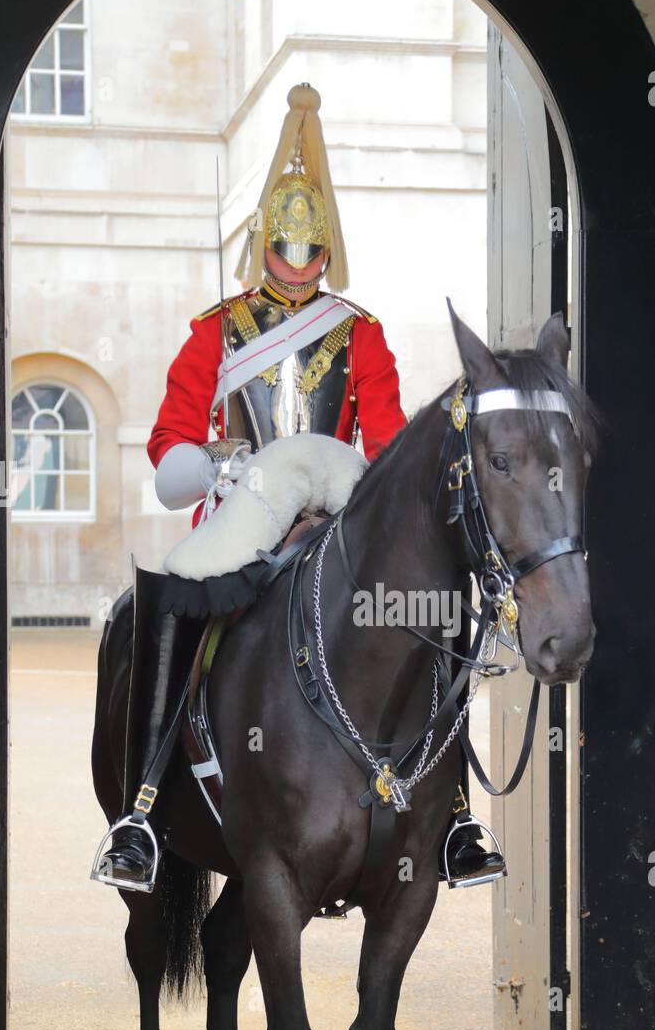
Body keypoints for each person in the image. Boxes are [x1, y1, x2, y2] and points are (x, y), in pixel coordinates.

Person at [92, 84, 504, 894]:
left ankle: (451, 814)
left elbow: (384, 440)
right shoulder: (216, 330)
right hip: (240, 514)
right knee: (169, 602)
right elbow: (171, 443)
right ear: (261, 245)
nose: (296, 266)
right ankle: (141, 814)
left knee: (433, 605)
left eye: (309, 252)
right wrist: (220, 466)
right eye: (283, 250)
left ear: (328, 251)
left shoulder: (361, 334)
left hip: (335, 509)